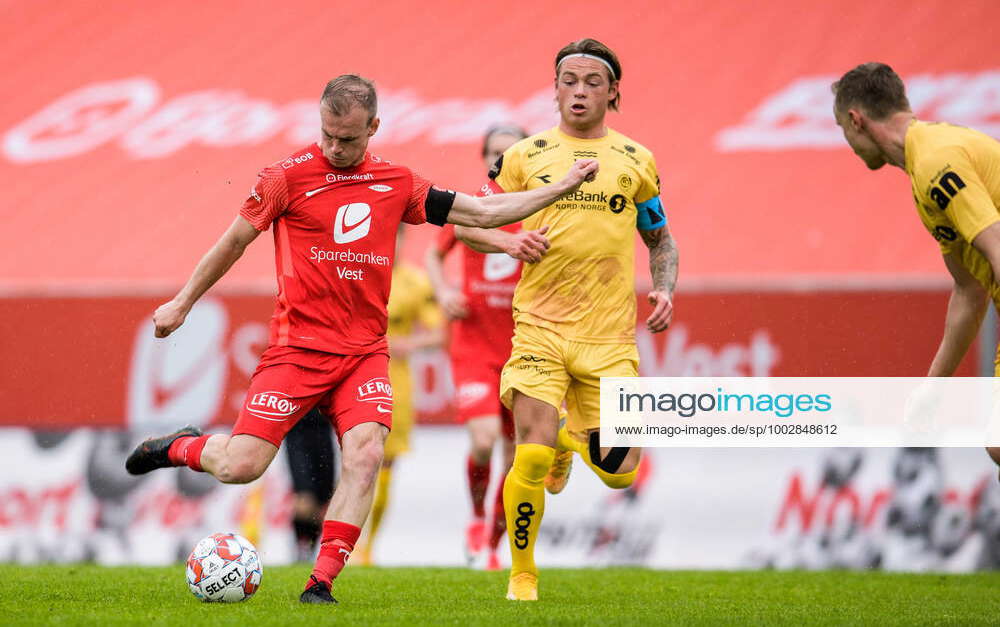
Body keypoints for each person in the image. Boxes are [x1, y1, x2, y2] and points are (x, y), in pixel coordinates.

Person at [124, 73, 599, 606]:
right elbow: (232, 242)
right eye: (327, 134)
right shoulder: (285, 177)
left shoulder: (399, 183)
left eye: (347, 138)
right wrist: (183, 302)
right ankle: (179, 445)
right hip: (297, 349)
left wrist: (562, 187)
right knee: (241, 466)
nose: (334, 147)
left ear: (373, 127)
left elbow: (483, 211)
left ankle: (319, 582)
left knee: (367, 453)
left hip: (363, 355)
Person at [456, 39, 678, 600]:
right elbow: (465, 224)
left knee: (621, 471)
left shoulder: (637, 160)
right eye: (569, 80)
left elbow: (660, 238)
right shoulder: (525, 155)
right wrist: (509, 242)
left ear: (614, 93)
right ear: (554, 89)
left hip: (608, 339)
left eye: (591, 82)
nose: (579, 91)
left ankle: (569, 441)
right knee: (527, 450)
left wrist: (666, 286)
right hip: (539, 328)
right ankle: (522, 578)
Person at [831, 62, 1000, 476]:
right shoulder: (926, 166)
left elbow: (998, 248)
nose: (849, 145)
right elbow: (969, 289)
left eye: (842, 130)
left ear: (857, 120)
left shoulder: (936, 164)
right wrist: (933, 387)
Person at [425, 124, 536, 570]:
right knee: (486, 440)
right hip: (473, 344)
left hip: (524, 346)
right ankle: (474, 517)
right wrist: (442, 292)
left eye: (507, 154)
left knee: (520, 457)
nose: (498, 161)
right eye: (493, 153)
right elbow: (435, 254)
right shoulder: (472, 206)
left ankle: (491, 543)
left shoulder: (540, 211)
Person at [355, 226, 445, 565]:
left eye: (396, 235)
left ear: (404, 240)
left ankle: (367, 547)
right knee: (354, 463)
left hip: (396, 383)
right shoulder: (353, 273)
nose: (389, 242)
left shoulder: (415, 283)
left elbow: (443, 332)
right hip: (354, 377)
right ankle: (343, 541)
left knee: (385, 464)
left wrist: (411, 344)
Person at [284, 408, 339, 562]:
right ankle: (301, 549)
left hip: (324, 433)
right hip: (297, 432)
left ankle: (309, 552)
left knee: (321, 504)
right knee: (304, 499)